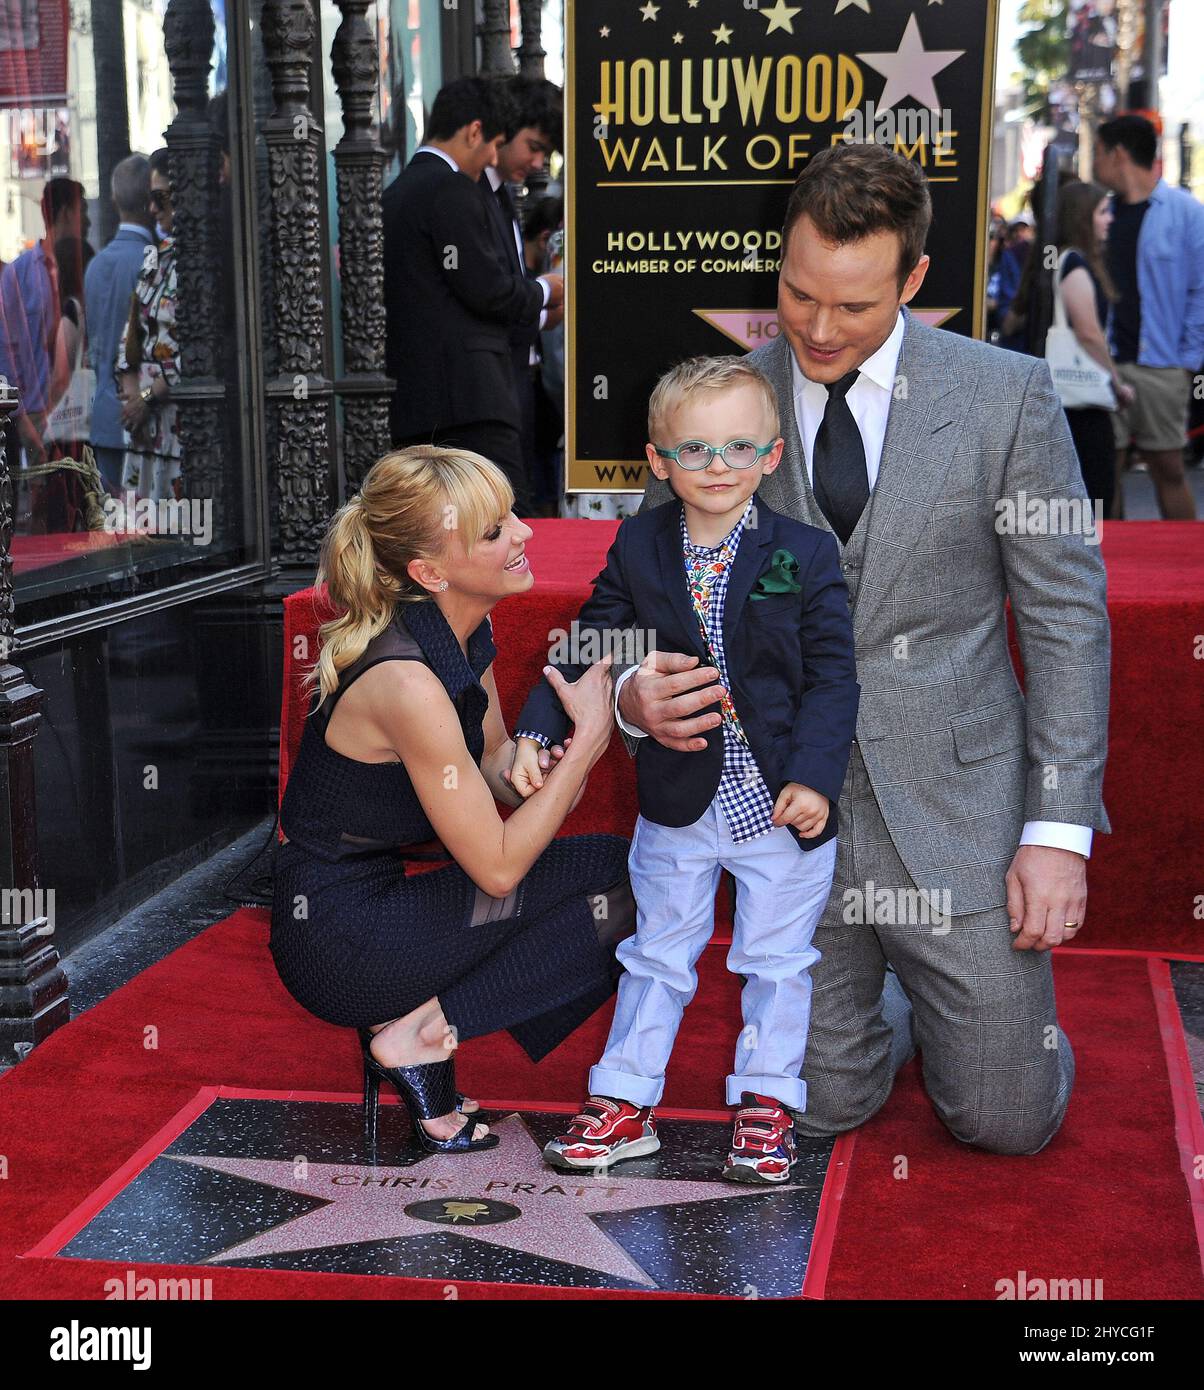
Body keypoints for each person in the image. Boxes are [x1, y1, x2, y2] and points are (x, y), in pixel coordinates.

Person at [607, 141, 1111, 1158]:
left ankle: (956, 1011)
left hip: (957, 809)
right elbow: (642, 590)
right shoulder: (712, 400)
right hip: (787, 818)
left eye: (855, 306)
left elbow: (1065, 616)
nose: (820, 330)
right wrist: (630, 694)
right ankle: (886, 990)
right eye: (799, 296)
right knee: (823, 1107)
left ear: (914, 279)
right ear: (779, 260)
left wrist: (1056, 832)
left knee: (1006, 1122)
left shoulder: (1003, 395)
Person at [511, 356, 859, 1183]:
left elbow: (833, 678)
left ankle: (767, 1106)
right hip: (680, 799)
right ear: (658, 460)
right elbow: (595, 639)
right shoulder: (638, 543)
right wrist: (534, 724)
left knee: (777, 961)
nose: (717, 467)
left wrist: (815, 777)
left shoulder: (804, 553)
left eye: (741, 448)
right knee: (656, 952)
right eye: (694, 450)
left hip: (779, 802)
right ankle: (625, 1102)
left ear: (774, 457)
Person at [270, 446, 636, 1153]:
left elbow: (492, 763)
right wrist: (588, 744)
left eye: (511, 516)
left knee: (630, 874)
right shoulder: (406, 683)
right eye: (495, 531)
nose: (525, 533)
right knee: (631, 883)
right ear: (430, 572)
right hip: (337, 939)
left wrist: (532, 761)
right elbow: (498, 869)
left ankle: (416, 1027)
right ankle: (421, 1033)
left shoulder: (464, 632)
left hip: (374, 902)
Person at [382, 77, 563, 517]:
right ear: (474, 131)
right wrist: (550, 287)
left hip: (430, 396)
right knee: (501, 518)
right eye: (495, 144)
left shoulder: (400, 190)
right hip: (470, 398)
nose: (490, 160)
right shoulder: (451, 188)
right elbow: (487, 290)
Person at [1094, 112, 1204, 520]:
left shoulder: (1186, 213)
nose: (1095, 164)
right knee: (1108, 472)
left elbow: (1201, 290)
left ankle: (1187, 569)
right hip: (1105, 365)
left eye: (1100, 153)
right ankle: (1116, 572)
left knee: (1168, 469)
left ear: (1118, 154)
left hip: (1162, 366)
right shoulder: (1102, 213)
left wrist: (1186, 362)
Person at [480, 78, 563, 512]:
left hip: (520, 381)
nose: (537, 163)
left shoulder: (501, 197)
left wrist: (539, 318)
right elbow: (488, 295)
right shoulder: (471, 195)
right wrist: (549, 287)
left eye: (546, 154)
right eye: (533, 147)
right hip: (493, 390)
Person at [1054, 179, 1133, 515]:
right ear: (1083, 218)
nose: (1110, 219)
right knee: (1095, 491)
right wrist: (1116, 383)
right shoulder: (1074, 265)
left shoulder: (1061, 261)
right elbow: (1089, 332)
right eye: (1102, 212)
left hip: (1070, 399)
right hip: (1080, 400)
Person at [0, 178, 87, 475]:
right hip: (37, 416)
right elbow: (7, 351)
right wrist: (23, 417)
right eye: (81, 211)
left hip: (78, 415)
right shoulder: (18, 275)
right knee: (45, 506)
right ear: (65, 213)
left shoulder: (81, 264)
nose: (87, 220)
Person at [83, 154, 155, 495]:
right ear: (149, 201)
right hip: (144, 418)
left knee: (112, 526)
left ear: (113, 200)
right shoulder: (151, 259)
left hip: (104, 417)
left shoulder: (96, 267)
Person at [116, 148, 181, 503]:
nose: (153, 209)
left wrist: (145, 397)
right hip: (144, 426)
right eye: (149, 199)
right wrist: (130, 395)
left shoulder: (196, 260)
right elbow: (133, 327)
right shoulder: (156, 257)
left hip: (174, 423)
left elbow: (197, 351)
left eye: (161, 198)